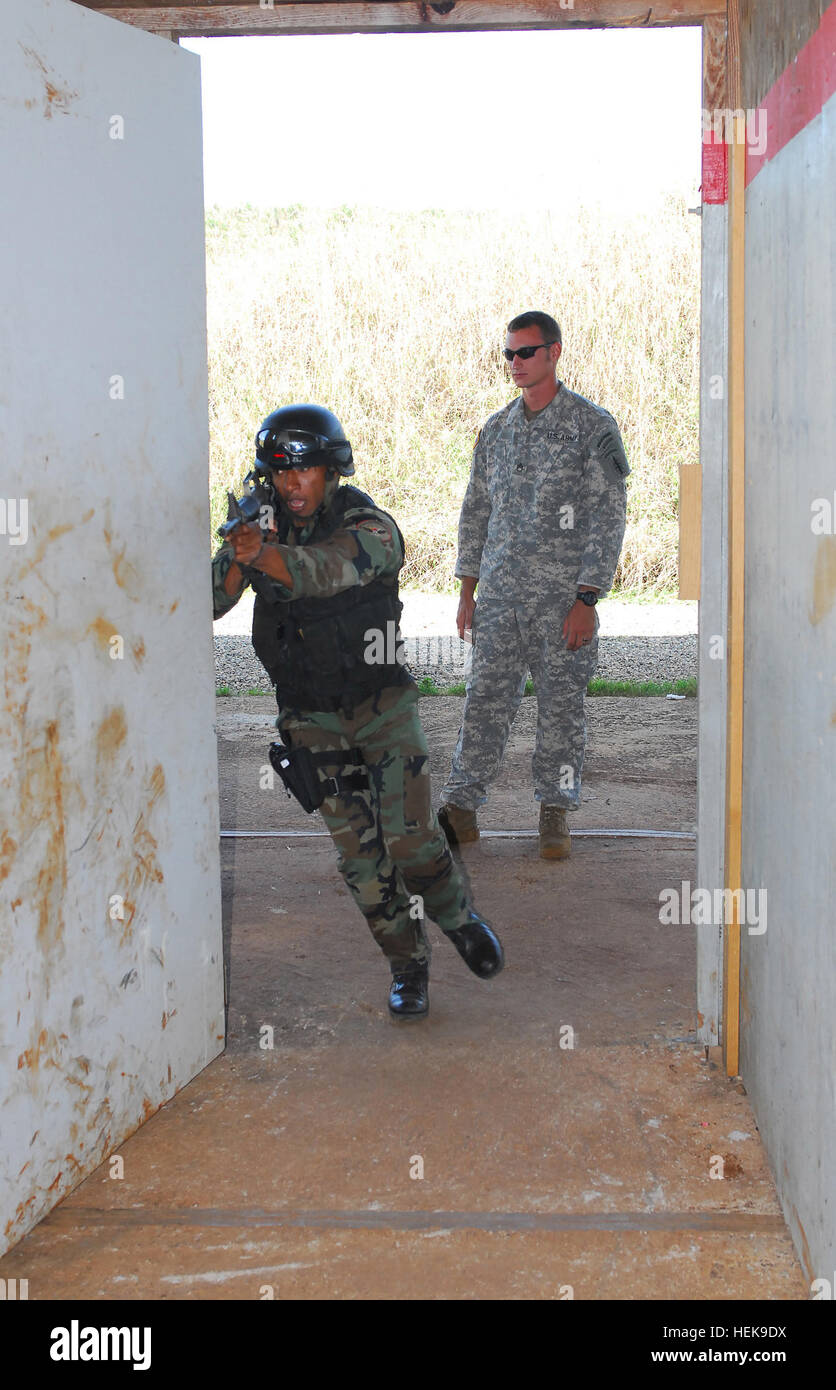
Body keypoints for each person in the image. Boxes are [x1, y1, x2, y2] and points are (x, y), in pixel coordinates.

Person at [212, 403, 504, 1019]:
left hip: (383, 706)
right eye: (281, 471)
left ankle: (457, 918)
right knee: (362, 864)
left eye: (306, 470)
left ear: (332, 470)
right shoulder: (260, 525)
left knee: (411, 839)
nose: (293, 483)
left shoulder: (370, 524)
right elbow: (210, 600)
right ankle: (407, 964)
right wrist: (239, 552)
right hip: (310, 718)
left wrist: (264, 555)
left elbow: (330, 569)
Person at [438, 311, 629, 859]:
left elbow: (608, 517)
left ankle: (555, 812)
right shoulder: (497, 430)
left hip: (561, 602)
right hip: (500, 599)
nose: (516, 363)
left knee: (561, 708)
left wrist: (587, 598)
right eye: (509, 354)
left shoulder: (592, 427)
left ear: (554, 352)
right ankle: (462, 808)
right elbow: (476, 510)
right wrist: (467, 590)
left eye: (526, 352)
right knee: (484, 702)